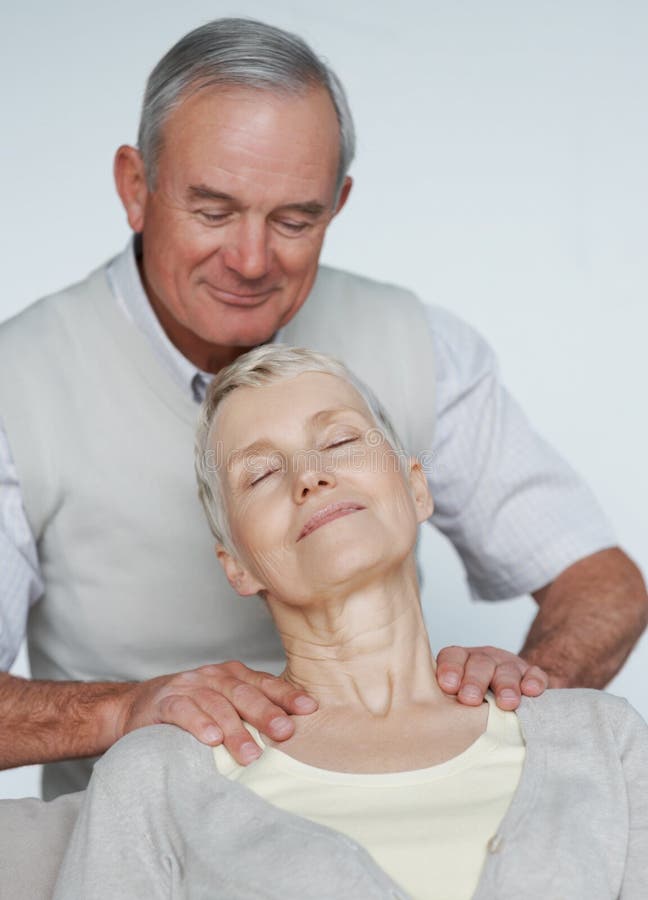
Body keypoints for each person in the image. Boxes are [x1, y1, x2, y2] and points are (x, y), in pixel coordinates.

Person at [0, 18, 645, 801]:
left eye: (294, 220)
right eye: (212, 211)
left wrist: (527, 695)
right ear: (136, 187)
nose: (249, 259)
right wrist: (123, 711)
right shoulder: (18, 387)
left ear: (338, 204)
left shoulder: (419, 346)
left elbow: (604, 583)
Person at [52, 345, 648, 900]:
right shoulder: (155, 777)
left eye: (339, 443)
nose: (310, 477)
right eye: (260, 475)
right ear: (236, 565)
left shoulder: (601, 738)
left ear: (415, 488)